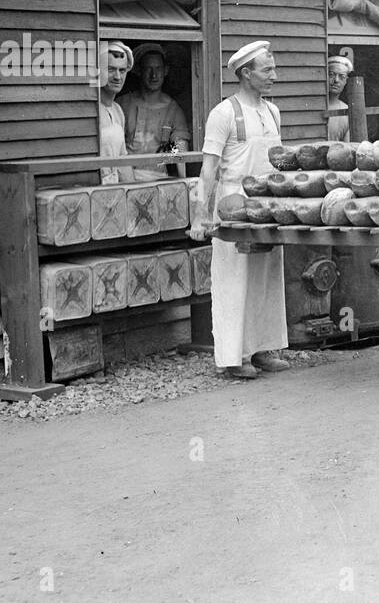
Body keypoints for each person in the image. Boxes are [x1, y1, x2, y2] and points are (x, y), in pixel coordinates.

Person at [189, 40, 291, 380]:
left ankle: (262, 349)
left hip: (266, 203)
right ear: (246, 74)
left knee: (265, 278)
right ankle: (234, 358)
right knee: (236, 280)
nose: (273, 76)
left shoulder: (272, 112)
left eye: (274, 68)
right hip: (233, 206)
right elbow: (208, 170)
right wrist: (201, 215)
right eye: (267, 70)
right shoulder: (223, 113)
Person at [118, 43, 192, 181]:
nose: (154, 75)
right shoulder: (123, 104)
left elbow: (179, 147)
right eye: (148, 69)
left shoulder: (173, 110)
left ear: (165, 71)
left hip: (158, 179)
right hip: (124, 178)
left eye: (158, 68)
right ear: (139, 71)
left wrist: (183, 181)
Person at [98, 41, 135, 185]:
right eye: (111, 69)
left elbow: (122, 158)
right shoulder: (92, 110)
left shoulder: (118, 110)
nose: (118, 77)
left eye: (122, 70)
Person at [325, 54, 353, 142]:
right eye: (331, 75)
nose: (336, 80)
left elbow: (348, 147)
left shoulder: (346, 111)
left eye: (342, 77)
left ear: (346, 81)